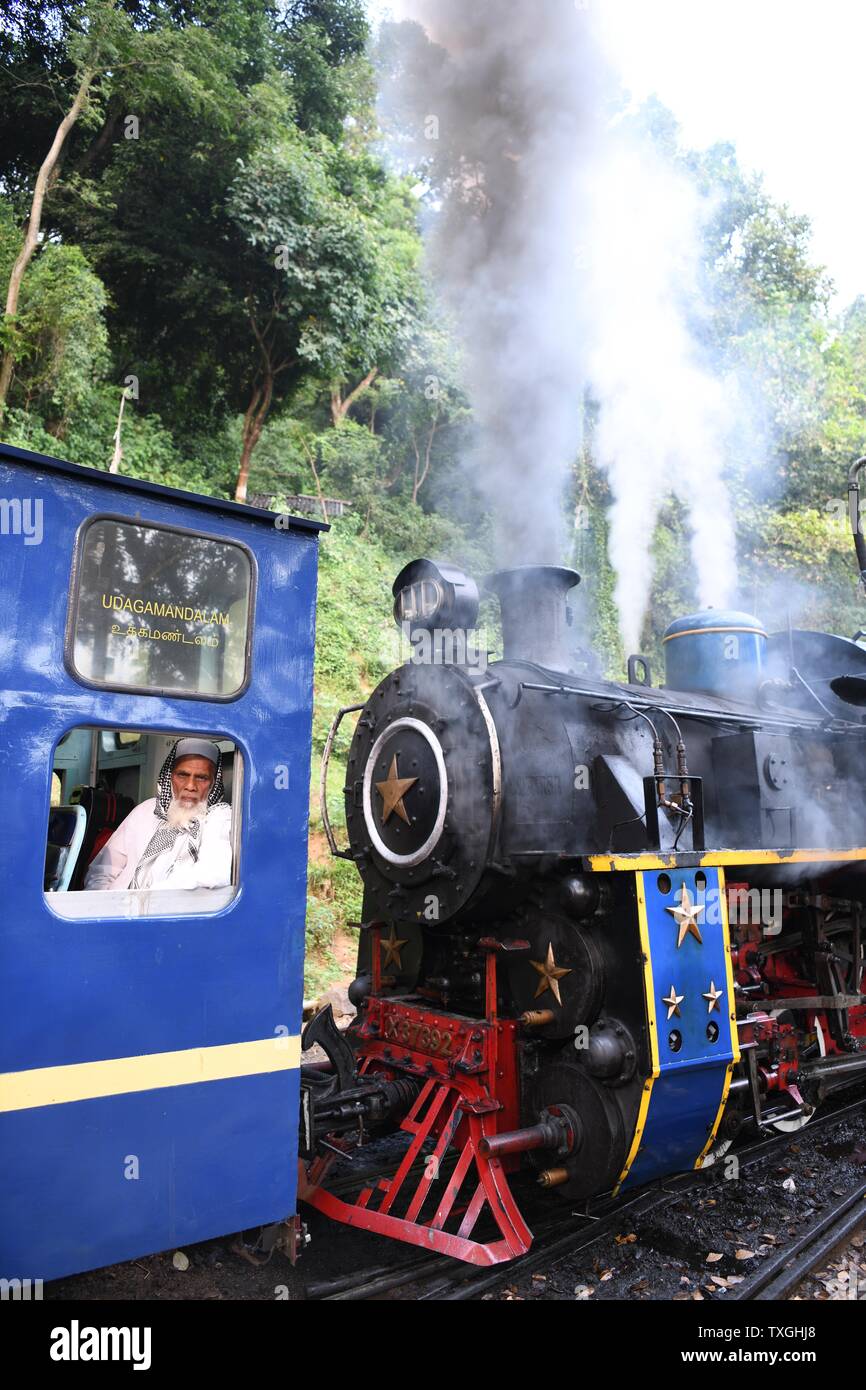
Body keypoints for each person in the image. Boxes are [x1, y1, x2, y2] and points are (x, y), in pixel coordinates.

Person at [84, 738, 232, 891]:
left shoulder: (219, 819)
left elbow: (214, 874)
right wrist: (103, 906)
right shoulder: (146, 810)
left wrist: (147, 902)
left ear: (214, 783)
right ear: (170, 776)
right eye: (182, 775)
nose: (190, 786)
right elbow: (103, 870)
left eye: (201, 778)